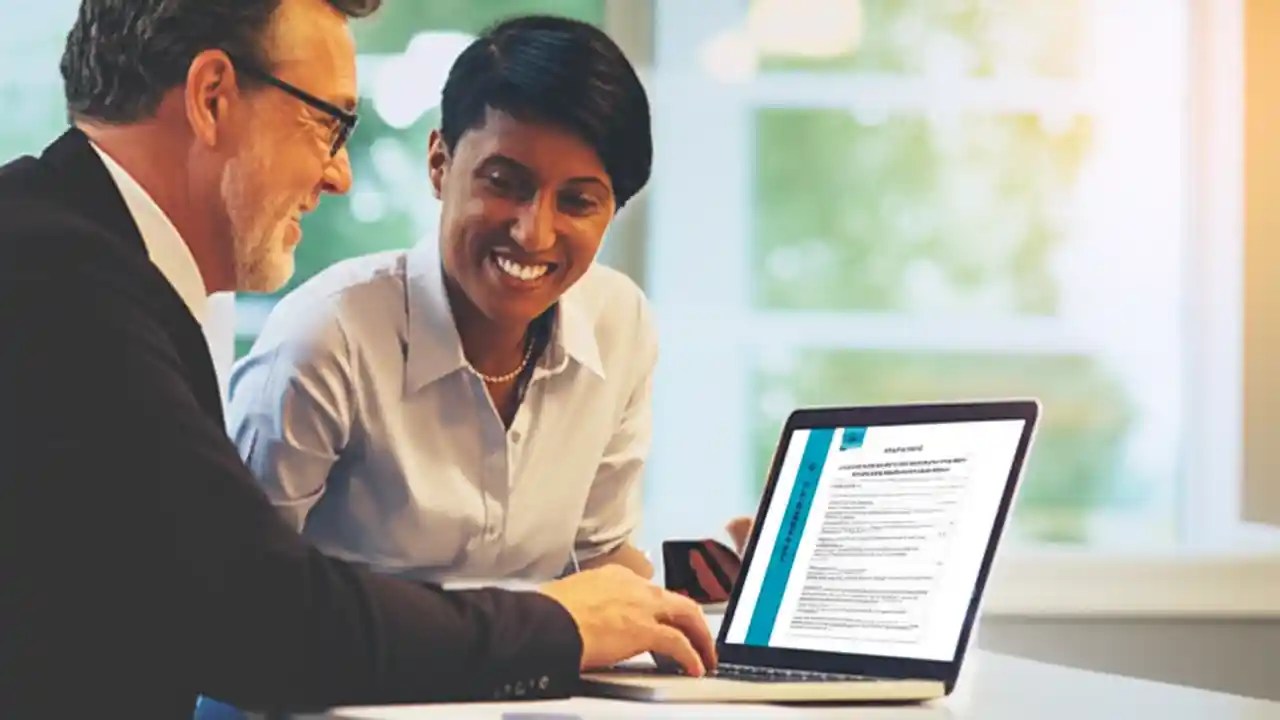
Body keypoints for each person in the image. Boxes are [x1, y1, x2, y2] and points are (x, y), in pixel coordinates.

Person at [0, 1, 714, 716]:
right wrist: (558, 625)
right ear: (212, 96)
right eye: (327, 122)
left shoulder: (86, 266)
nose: (339, 173)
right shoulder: (60, 281)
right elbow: (260, 614)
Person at [226, 15, 657, 584]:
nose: (534, 233)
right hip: (353, 673)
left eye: (578, 202)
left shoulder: (618, 322)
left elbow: (600, 562)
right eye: (505, 183)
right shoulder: (327, 339)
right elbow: (239, 588)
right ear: (439, 163)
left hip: (553, 672)